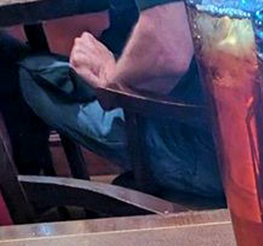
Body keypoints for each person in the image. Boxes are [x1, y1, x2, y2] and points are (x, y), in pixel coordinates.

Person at [2, 0, 223, 200]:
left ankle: (26, 208)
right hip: (230, 135)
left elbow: (167, 53)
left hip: (214, 157)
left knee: (19, 67)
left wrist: (110, 77)